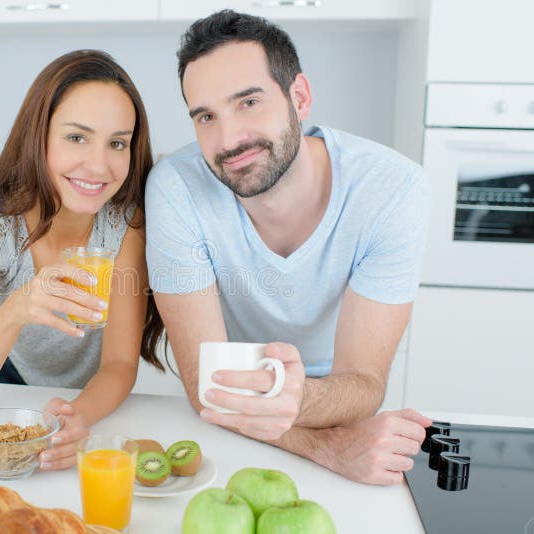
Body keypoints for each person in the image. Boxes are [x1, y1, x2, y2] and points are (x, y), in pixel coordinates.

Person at [145, 10, 432, 485]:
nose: (228, 139)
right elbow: (206, 389)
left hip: (333, 398)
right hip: (237, 405)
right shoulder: (176, 188)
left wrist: (303, 401)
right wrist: (329, 448)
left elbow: (363, 383)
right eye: (205, 117)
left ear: (299, 97)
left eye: (249, 102)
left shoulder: (392, 188)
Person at [0, 49, 164, 470]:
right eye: (76, 137)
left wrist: (78, 416)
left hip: (90, 392)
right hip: (8, 385)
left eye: (117, 143)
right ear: (37, 136)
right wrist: (15, 310)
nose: (98, 165)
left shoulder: (125, 223)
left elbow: (118, 363)